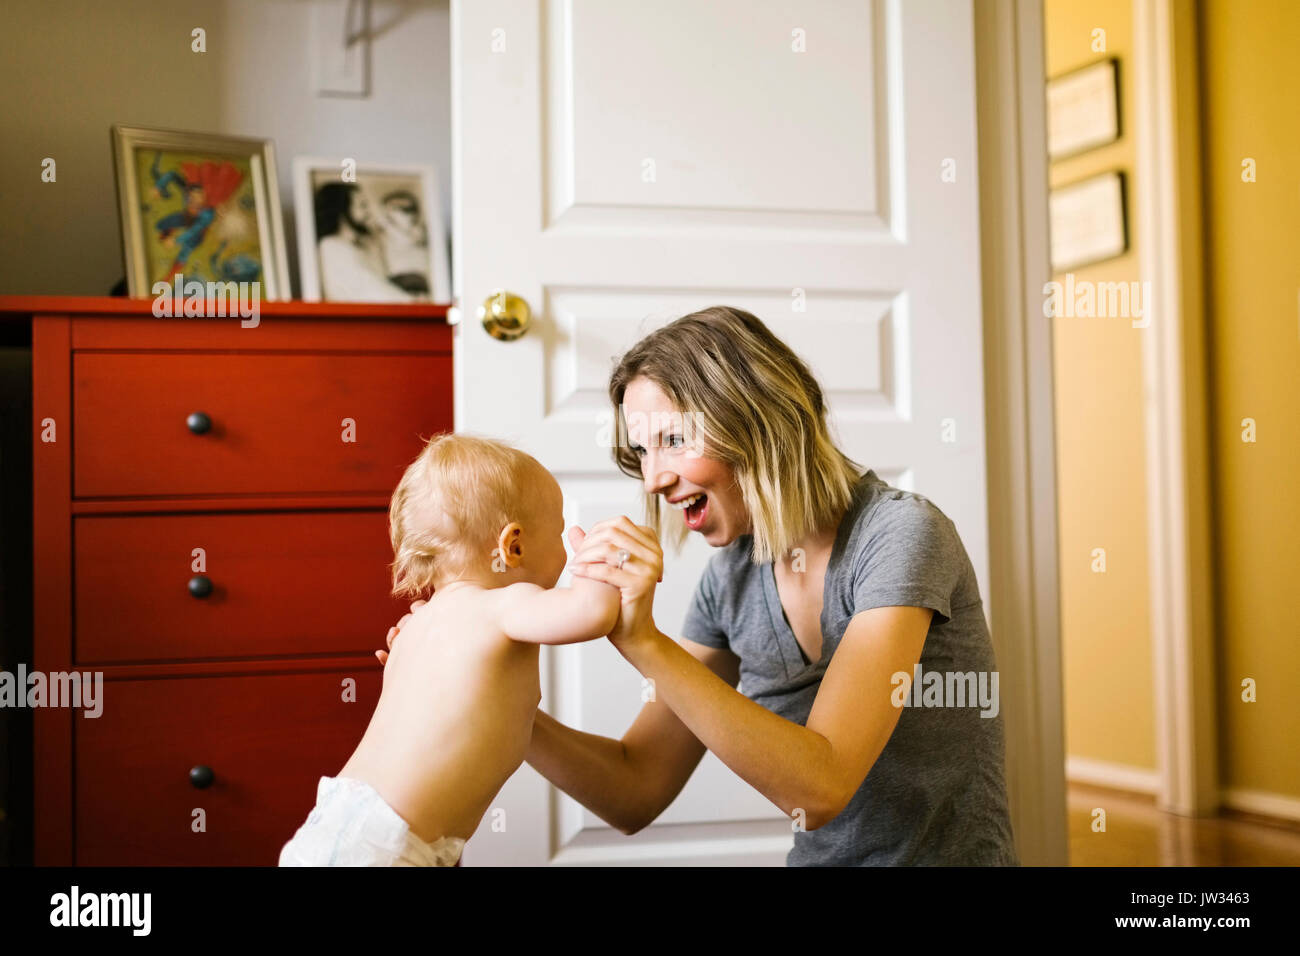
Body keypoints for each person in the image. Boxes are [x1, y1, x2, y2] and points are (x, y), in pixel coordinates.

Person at [384, 306, 1019, 866]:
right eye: (642, 452)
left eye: (673, 441)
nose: (654, 479)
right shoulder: (733, 577)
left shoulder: (900, 536)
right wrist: (482, 699)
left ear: (759, 419)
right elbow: (635, 789)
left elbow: (821, 787)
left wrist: (642, 640)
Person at [280, 434, 619, 866]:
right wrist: (604, 561)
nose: (567, 549)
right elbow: (593, 612)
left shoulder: (417, 626)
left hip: (349, 829)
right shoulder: (501, 604)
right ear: (512, 546)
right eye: (559, 533)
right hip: (385, 846)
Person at [312, 182, 417, 302]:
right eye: (362, 206)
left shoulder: (363, 246)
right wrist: (415, 303)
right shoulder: (331, 247)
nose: (368, 212)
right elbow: (373, 290)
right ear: (343, 211)